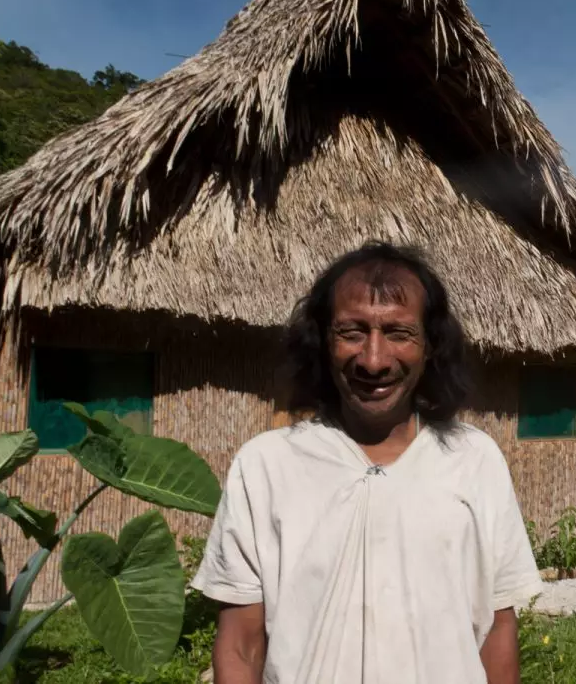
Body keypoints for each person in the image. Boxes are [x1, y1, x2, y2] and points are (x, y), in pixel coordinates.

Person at [191, 242, 542, 684]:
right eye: (352, 332)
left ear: (431, 346)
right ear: (322, 342)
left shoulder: (475, 461)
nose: (374, 360)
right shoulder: (266, 467)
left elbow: (498, 630)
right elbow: (241, 644)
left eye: (398, 333)